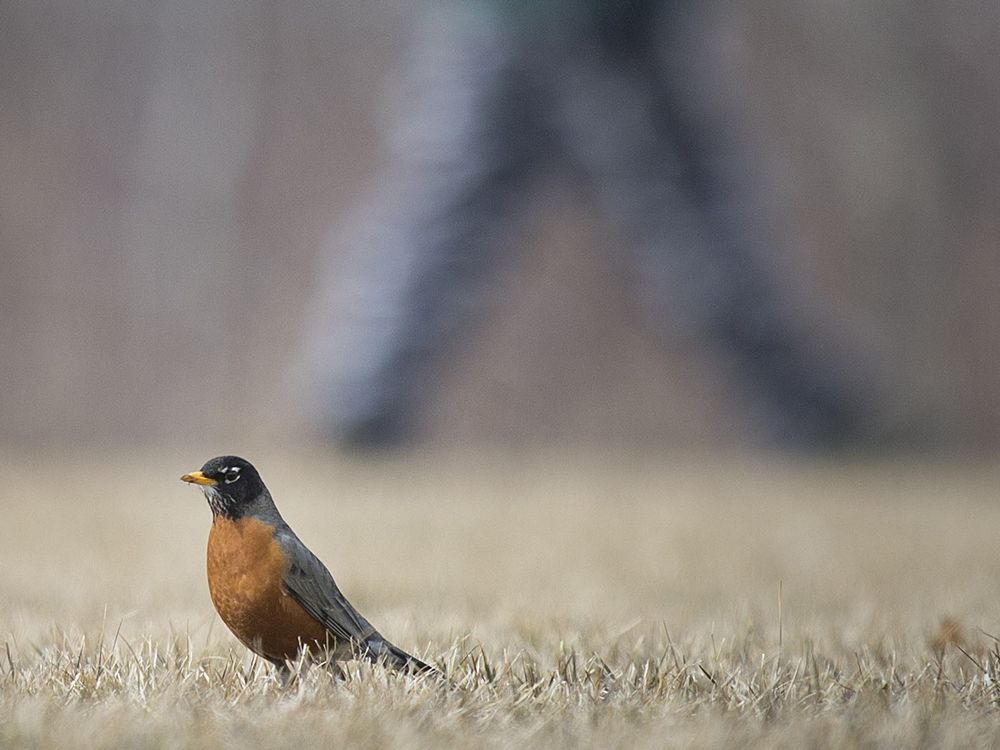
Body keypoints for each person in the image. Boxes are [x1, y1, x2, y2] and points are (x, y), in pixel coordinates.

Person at [305, 0, 869, 449]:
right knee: (688, 219)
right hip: (603, 26)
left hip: (497, 23)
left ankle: (359, 400)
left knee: (444, 213)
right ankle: (800, 407)